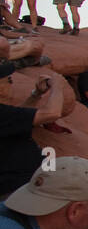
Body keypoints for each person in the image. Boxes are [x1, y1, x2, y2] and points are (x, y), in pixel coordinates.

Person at [0, 67, 63, 196]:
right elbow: (52, 113)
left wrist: (36, 94)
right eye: (9, 80)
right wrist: (58, 86)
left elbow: (19, 119)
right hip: (14, 188)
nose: (12, 84)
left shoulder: (5, 113)